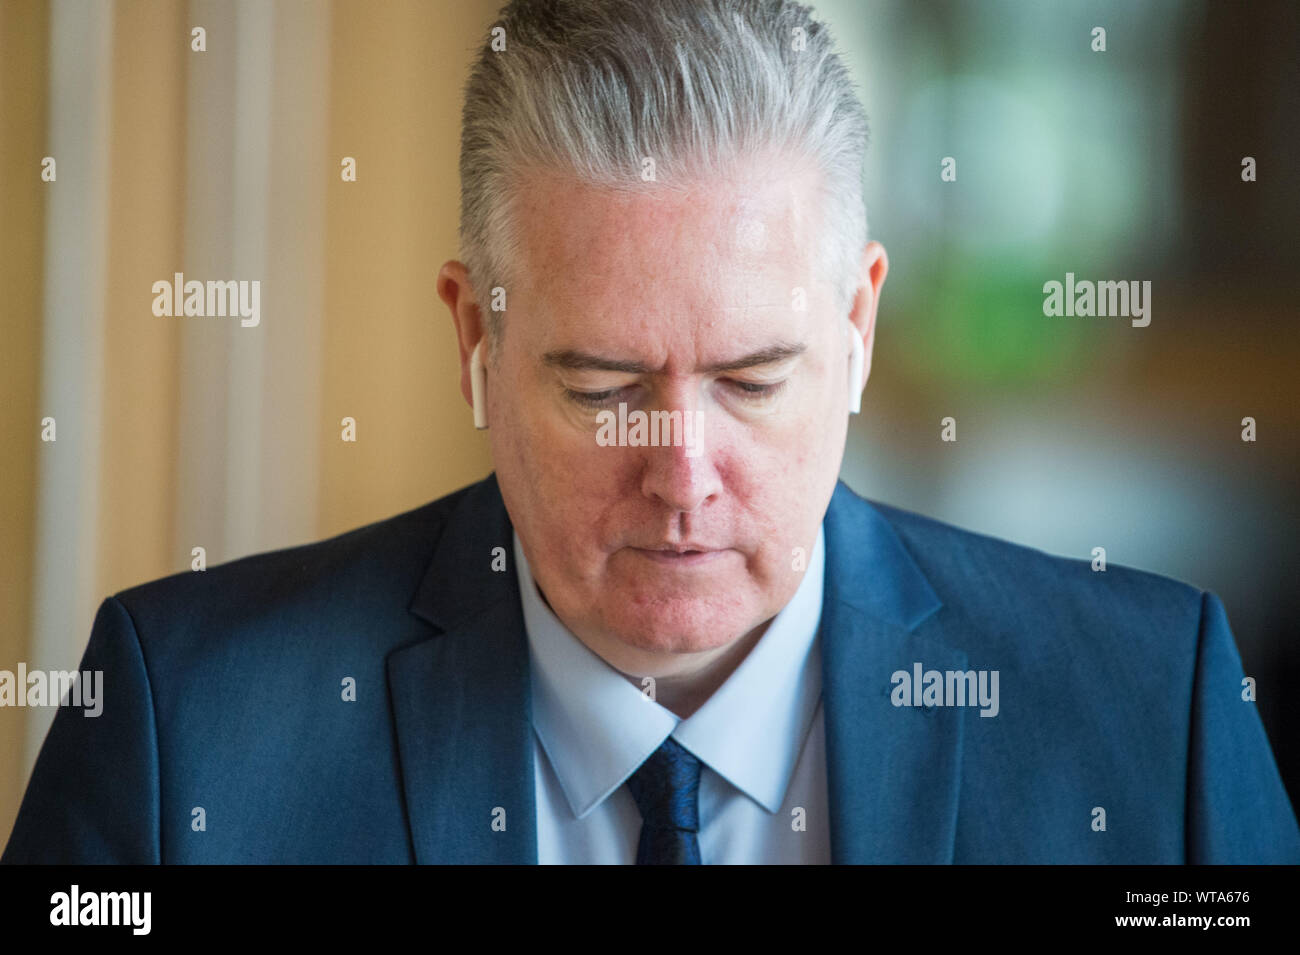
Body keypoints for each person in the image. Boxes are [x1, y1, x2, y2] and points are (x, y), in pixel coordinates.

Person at [5, 0, 1298, 865]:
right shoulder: (185, 732)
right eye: (604, 383)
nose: (684, 477)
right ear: (475, 343)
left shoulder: (1150, 715)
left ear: (856, 331)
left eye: (753, 377)